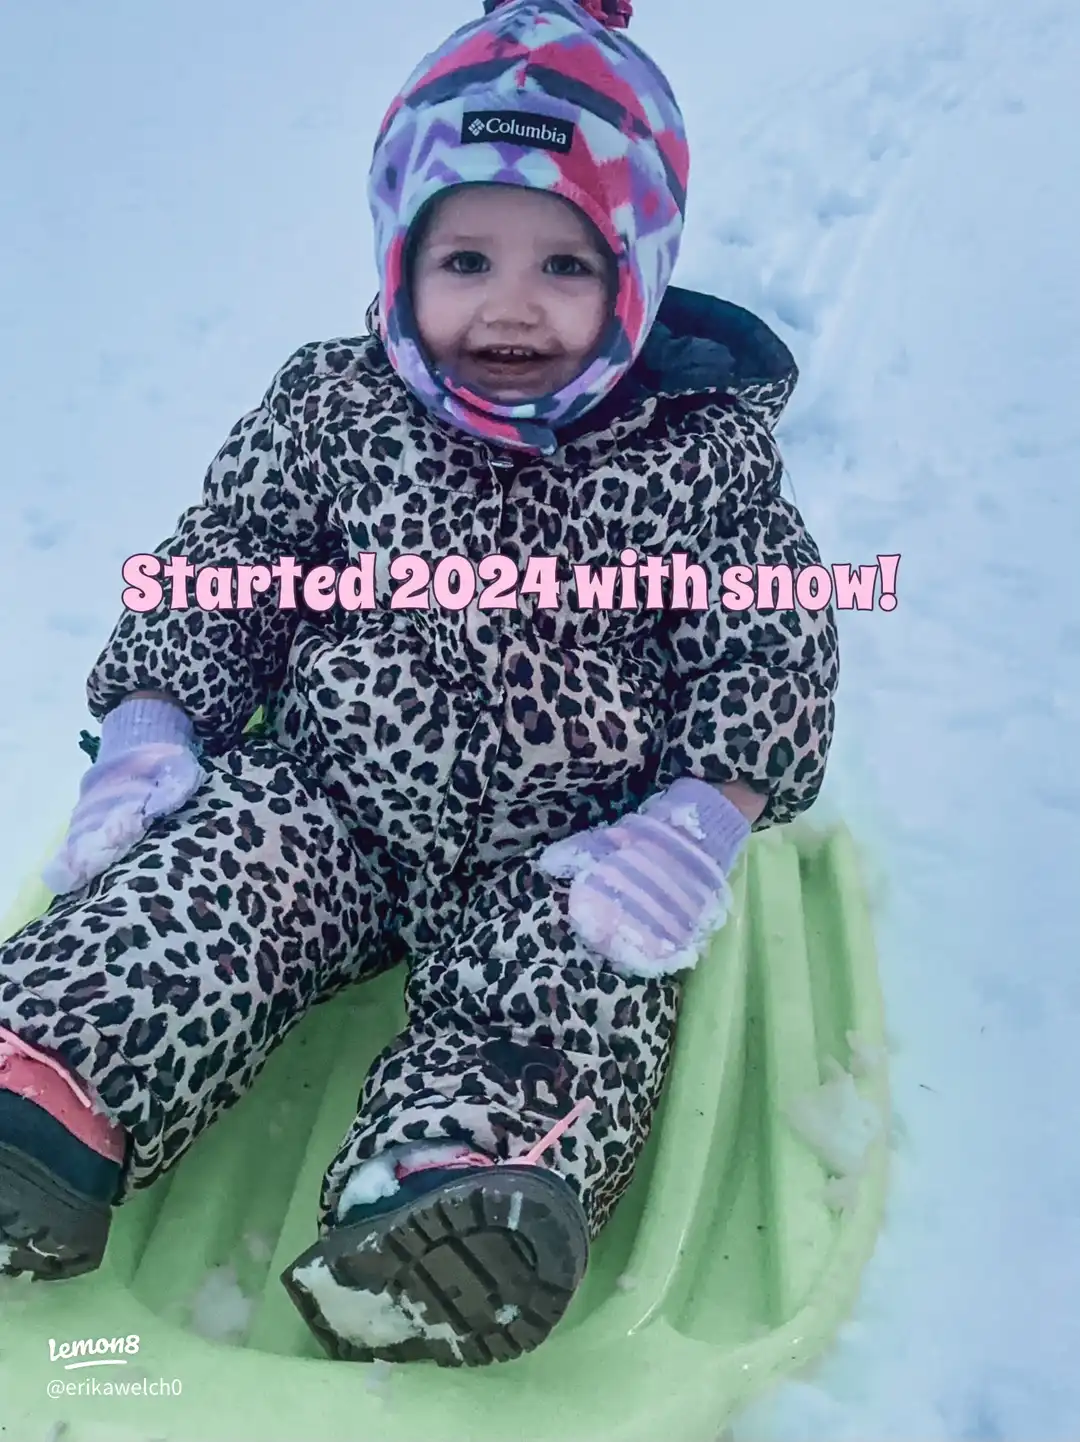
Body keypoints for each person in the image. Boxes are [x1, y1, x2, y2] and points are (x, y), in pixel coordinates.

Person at [0, 0, 838, 1366]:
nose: (511, 304)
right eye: (466, 257)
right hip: (336, 797)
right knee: (209, 875)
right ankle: (45, 1079)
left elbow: (774, 637)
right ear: (400, 255)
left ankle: (446, 1197)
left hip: (565, 839)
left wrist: (695, 820)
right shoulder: (337, 407)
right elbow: (228, 562)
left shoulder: (697, 457)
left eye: (567, 262)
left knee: (579, 973)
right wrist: (154, 728)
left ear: (639, 270)